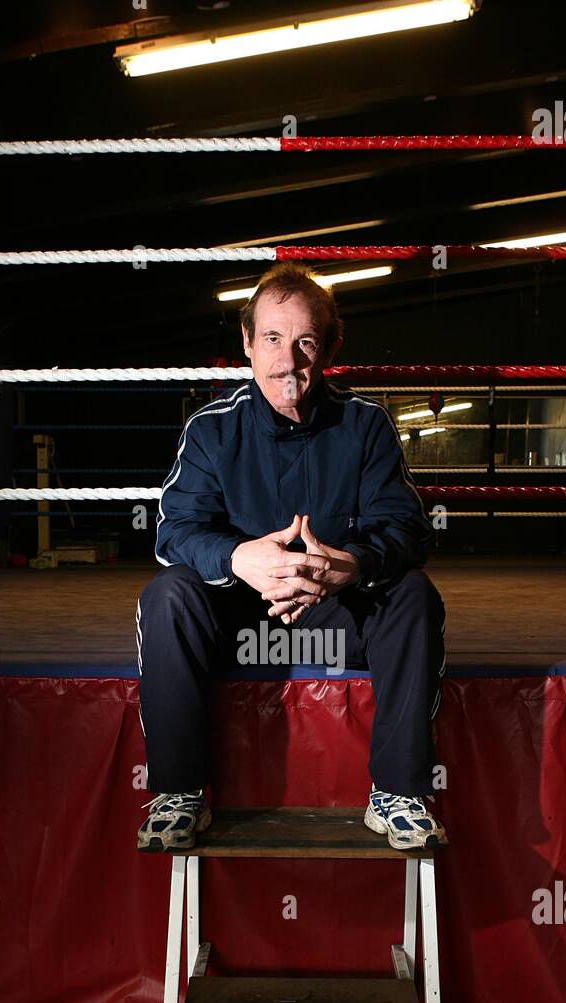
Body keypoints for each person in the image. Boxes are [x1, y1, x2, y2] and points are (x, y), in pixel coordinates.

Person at [135, 263, 446, 850]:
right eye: (273, 338)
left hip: (335, 623)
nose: (288, 360)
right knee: (168, 595)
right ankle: (179, 790)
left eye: (305, 341)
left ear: (329, 347)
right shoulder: (210, 430)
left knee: (411, 594)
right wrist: (239, 559)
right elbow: (175, 533)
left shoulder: (366, 425)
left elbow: (407, 529)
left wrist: (350, 565)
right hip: (237, 624)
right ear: (247, 342)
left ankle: (398, 791)